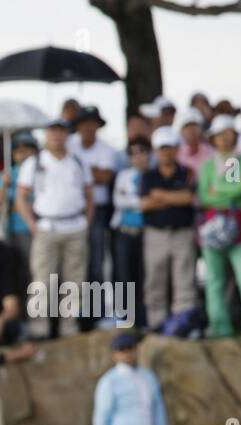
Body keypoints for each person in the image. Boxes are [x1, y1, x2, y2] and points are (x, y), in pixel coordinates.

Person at [17, 118, 93, 338]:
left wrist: (86, 221)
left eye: (61, 132)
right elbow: (21, 197)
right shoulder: (34, 162)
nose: (57, 136)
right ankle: (39, 328)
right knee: (42, 279)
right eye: (53, 132)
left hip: (74, 224)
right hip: (46, 225)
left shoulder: (77, 161)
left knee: (74, 280)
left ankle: (69, 327)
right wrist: (32, 224)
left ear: (67, 135)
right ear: (46, 135)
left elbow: (89, 195)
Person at [198, 115, 241, 337]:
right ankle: (220, 328)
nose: (225, 139)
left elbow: (240, 189)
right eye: (220, 134)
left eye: (228, 133)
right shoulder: (208, 164)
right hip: (212, 228)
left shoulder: (239, 161)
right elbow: (204, 196)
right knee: (215, 280)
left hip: (240, 227)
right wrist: (222, 193)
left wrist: (219, 191)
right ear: (213, 139)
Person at [142, 126, 199, 332]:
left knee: (184, 279)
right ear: (156, 151)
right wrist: (175, 198)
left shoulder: (187, 172)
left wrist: (160, 195)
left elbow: (189, 198)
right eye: (162, 148)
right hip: (156, 233)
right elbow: (144, 204)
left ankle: (183, 322)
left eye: (171, 147)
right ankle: (157, 322)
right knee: (155, 279)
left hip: (182, 232)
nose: (167, 152)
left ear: (177, 149)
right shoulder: (149, 175)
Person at [70, 106, 121, 302]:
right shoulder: (70, 145)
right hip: (73, 209)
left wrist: (79, 171)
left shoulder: (106, 149)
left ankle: (97, 310)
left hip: (98, 210)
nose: (88, 127)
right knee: (74, 262)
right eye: (84, 123)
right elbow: (93, 176)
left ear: (98, 126)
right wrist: (92, 171)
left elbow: (105, 177)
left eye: (92, 123)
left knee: (96, 261)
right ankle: (76, 311)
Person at [111, 138, 150, 328]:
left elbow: (151, 202)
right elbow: (119, 201)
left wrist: (133, 199)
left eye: (141, 152)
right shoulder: (123, 175)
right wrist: (142, 202)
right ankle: (124, 318)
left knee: (143, 276)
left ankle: (142, 319)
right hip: (125, 232)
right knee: (123, 275)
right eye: (133, 153)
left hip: (147, 232)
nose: (138, 157)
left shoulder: (153, 175)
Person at [0, 132, 38, 286]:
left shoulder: (41, 171)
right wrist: (4, 187)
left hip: (38, 228)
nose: (23, 154)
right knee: (18, 272)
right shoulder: (7, 174)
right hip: (14, 230)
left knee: (36, 271)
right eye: (19, 151)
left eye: (28, 149)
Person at [176, 109, 214, 178]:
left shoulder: (211, 151)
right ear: (181, 131)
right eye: (187, 127)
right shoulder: (176, 153)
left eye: (194, 126)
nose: (191, 130)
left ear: (201, 129)